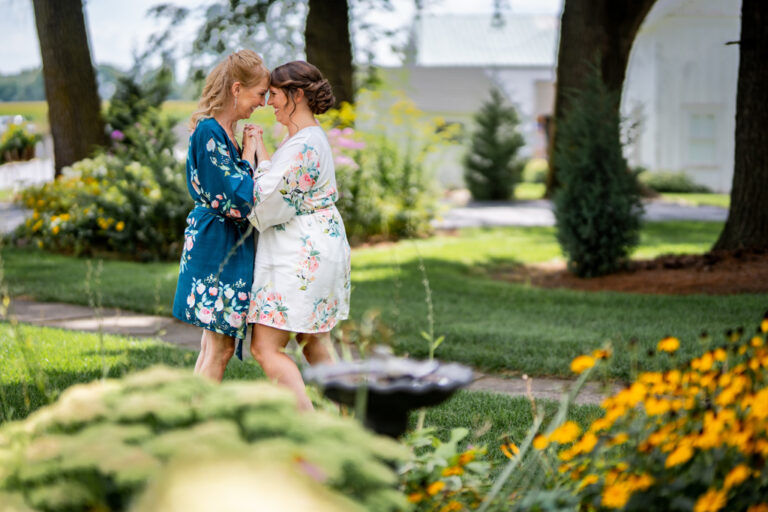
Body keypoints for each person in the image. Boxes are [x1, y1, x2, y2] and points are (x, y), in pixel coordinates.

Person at [246, 61, 351, 410]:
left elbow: (268, 201)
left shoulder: (304, 144)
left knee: (265, 348)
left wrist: (250, 160)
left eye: (274, 95)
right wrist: (263, 155)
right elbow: (280, 179)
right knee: (313, 341)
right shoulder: (306, 139)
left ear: (297, 94)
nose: (268, 102)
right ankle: (359, 420)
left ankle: (308, 429)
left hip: (300, 253)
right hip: (319, 244)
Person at [172, 50, 269, 381]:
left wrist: (244, 153)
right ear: (237, 88)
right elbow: (237, 199)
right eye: (260, 94)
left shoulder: (225, 132)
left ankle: (190, 414)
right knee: (220, 347)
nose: (264, 102)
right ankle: (199, 423)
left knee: (211, 346)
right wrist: (252, 154)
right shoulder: (209, 132)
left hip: (226, 243)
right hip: (217, 245)